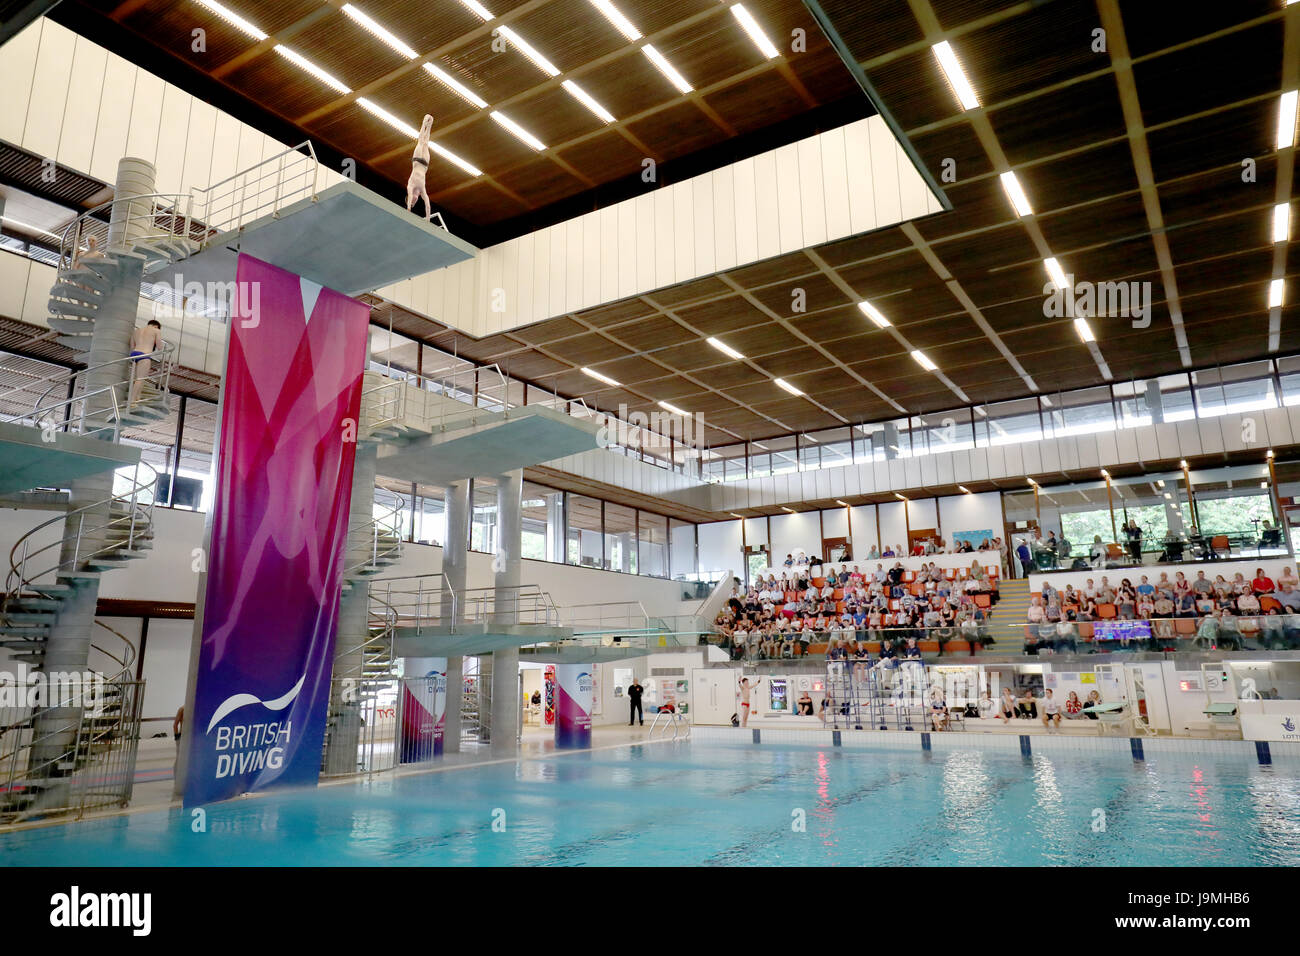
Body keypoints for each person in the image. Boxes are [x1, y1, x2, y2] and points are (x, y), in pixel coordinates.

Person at [127, 319, 164, 407]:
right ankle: (131, 401)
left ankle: (137, 398)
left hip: (134, 354)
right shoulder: (156, 330)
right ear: (156, 326)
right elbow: (159, 347)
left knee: (137, 378)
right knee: (140, 378)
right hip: (145, 354)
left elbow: (132, 346)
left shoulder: (136, 331)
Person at [406, 113, 435, 220]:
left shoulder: (410, 186)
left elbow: (409, 197)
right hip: (425, 164)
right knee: (426, 143)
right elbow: (427, 204)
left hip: (417, 161)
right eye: (414, 204)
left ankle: (424, 123)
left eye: (412, 202)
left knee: (420, 141)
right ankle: (430, 125)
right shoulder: (422, 191)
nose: (414, 202)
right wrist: (428, 218)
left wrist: (409, 208)